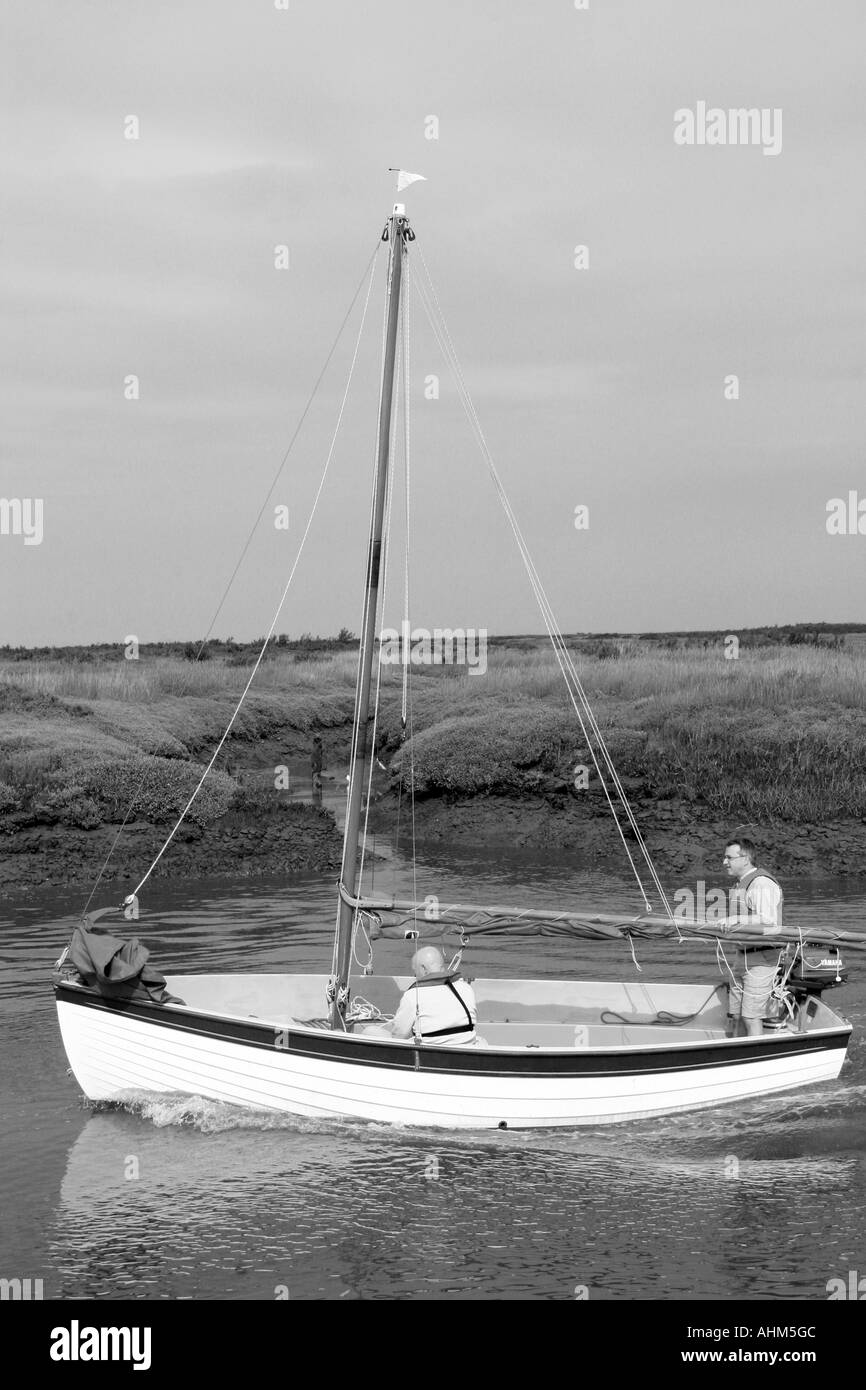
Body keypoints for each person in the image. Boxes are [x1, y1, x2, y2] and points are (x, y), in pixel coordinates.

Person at [360, 946, 477, 1046]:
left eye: (415, 972)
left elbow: (398, 1036)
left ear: (424, 969)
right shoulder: (466, 988)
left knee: (369, 1031)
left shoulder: (412, 995)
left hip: (429, 1053)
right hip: (466, 1047)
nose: (414, 976)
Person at [718, 838, 783, 930]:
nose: (724, 862)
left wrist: (736, 919)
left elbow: (768, 919)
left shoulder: (761, 883)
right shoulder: (741, 883)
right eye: (725, 858)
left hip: (767, 944)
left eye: (729, 858)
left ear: (745, 860)